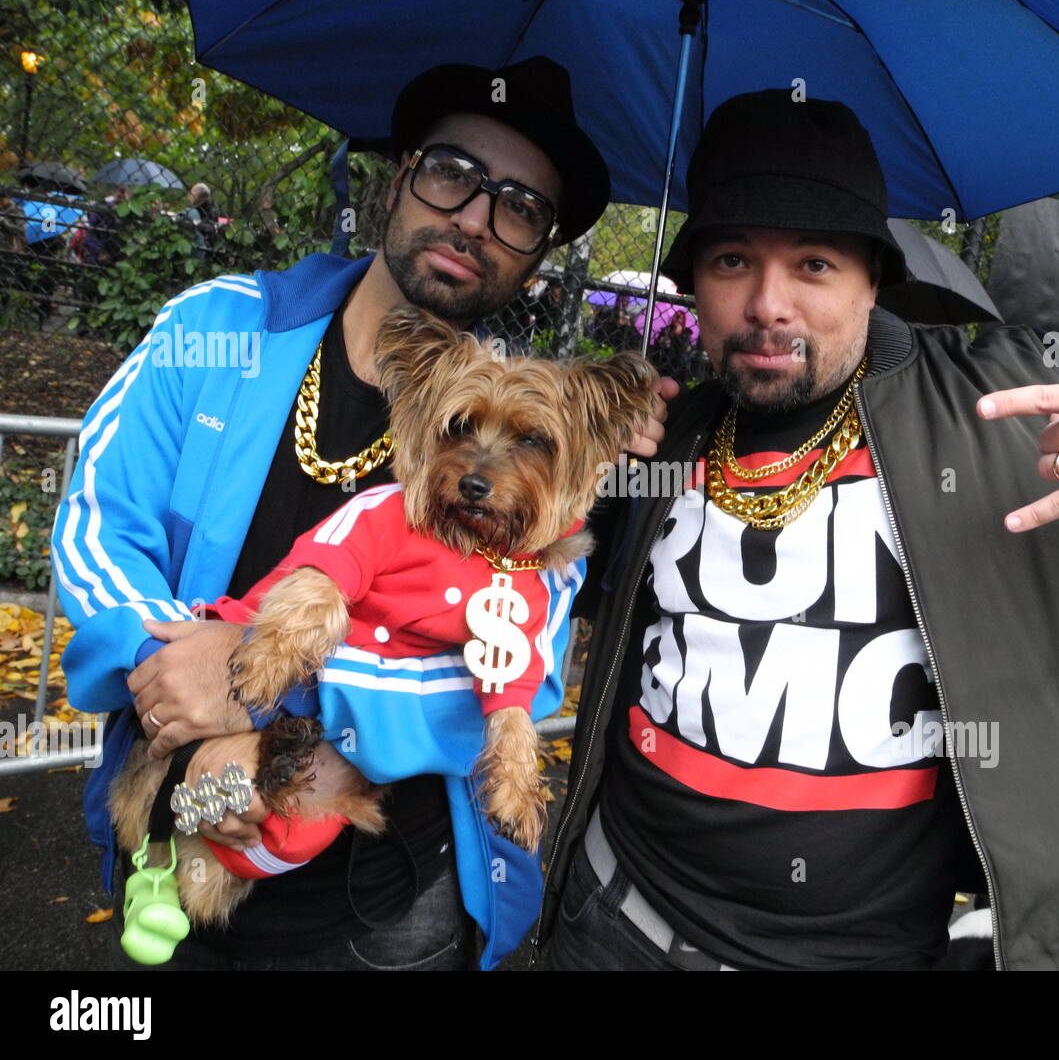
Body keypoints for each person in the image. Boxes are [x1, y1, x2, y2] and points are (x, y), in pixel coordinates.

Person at [536, 90, 1059, 971]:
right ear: (694, 283)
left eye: (814, 264)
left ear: (872, 275)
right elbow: (553, 583)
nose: (768, 304)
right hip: (615, 924)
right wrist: (567, 458)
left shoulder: (1006, 411)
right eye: (733, 259)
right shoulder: (663, 432)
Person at [52, 56, 664, 971]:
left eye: (521, 207)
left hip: (391, 894)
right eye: (454, 171)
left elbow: (519, 667)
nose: (474, 218)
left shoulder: (544, 444)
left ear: (536, 256)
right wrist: (171, 678)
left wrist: (304, 701)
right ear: (399, 174)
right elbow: (98, 527)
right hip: (181, 808)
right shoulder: (217, 329)